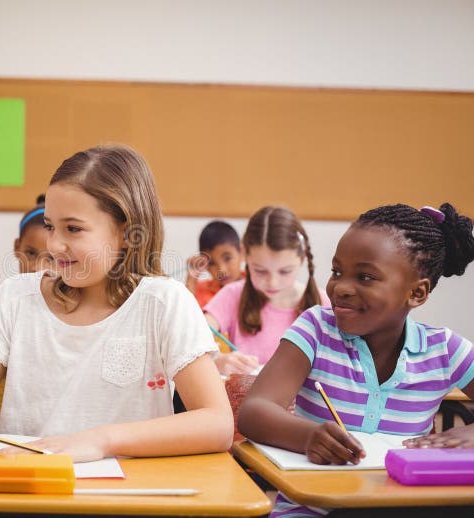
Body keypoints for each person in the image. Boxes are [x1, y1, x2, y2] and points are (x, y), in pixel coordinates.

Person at [0, 144, 233, 462]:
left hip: (128, 497)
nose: (54, 244)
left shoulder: (165, 304)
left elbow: (217, 423)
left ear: (129, 234)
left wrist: (102, 440)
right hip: (31, 493)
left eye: (73, 229)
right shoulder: (16, 298)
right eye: (50, 226)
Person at [238, 203, 474, 518]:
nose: (341, 288)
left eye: (364, 277)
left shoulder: (443, 349)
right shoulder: (317, 329)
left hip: (399, 509)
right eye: (337, 272)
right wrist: (307, 436)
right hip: (309, 510)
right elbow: (254, 412)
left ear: (416, 294)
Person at [205, 206, 327, 375]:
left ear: (302, 257)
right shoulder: (232, 295)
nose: (272, 282)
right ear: (244, 254)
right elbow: (192, 338)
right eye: (260, 271)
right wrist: (216, 360)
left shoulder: (322, 304)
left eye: (285, 271)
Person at [0, 194, 51, 326]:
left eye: (50, 258)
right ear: (17, 246)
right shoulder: (2, 294)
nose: (37, 268)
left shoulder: (69, 300)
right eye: (30, 253)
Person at [185, 220, 244, 309]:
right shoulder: (200, 291)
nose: (221, 269)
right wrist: (191, 280)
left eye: (227, 258)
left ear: (242, 252)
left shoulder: (255, 284)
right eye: (212, 263)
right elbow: (185, 316)